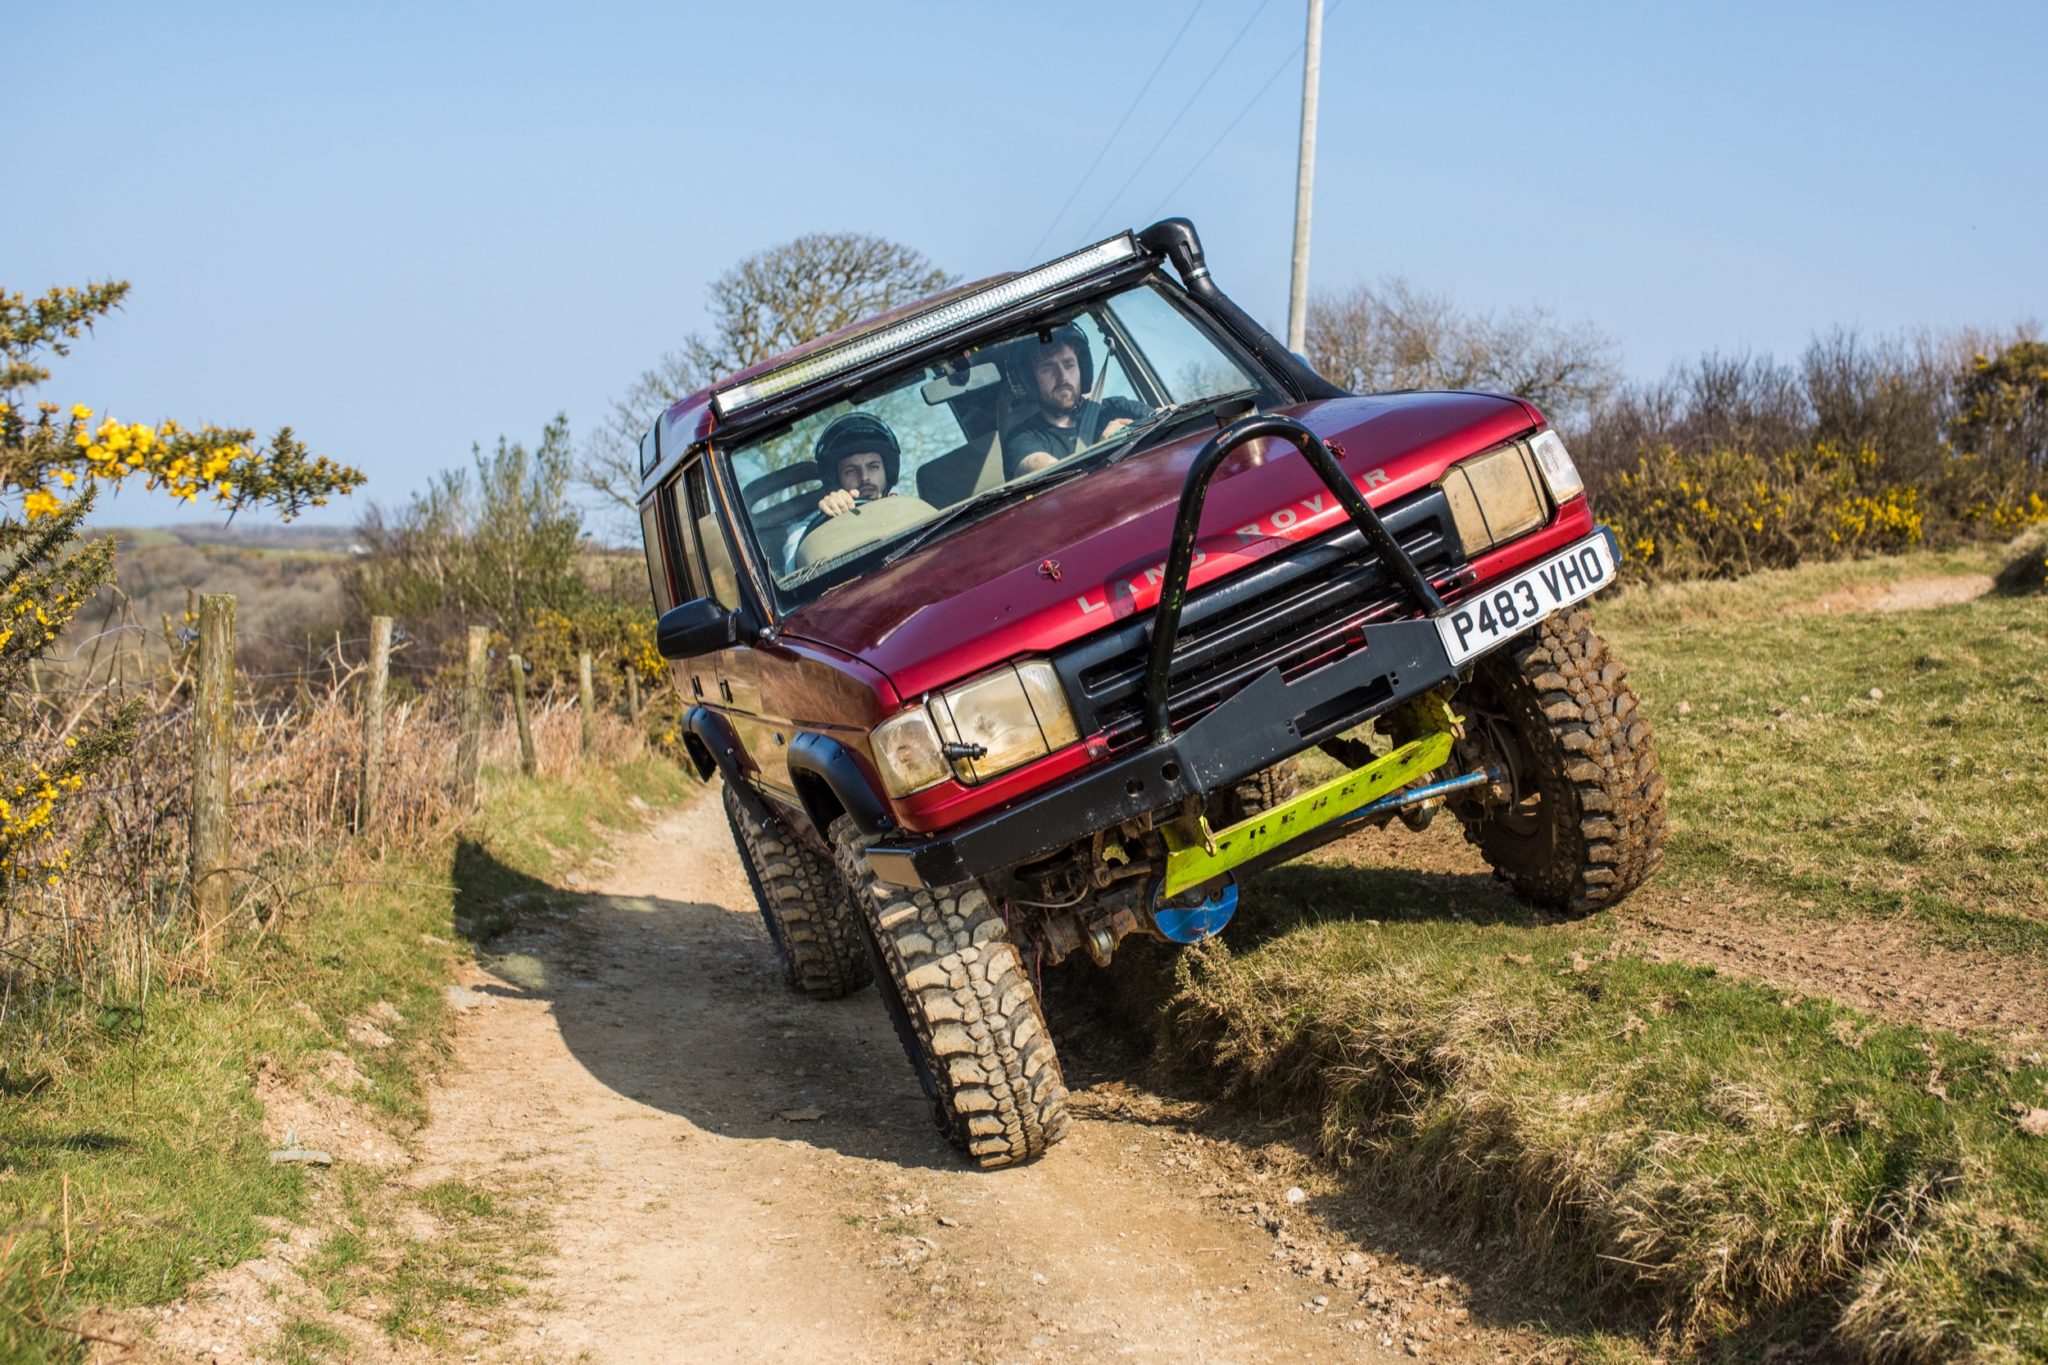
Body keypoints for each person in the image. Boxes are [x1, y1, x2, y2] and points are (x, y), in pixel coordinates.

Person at [1004, 325, 1147, 476]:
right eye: (1048, 368)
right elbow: (1052, 473)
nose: (1063, 376)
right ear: (1030, 381)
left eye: (1069, 365)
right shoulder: (1022, 438)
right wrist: (1104, 451)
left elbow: (1168, 416)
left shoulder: (1118, 407)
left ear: (1082, 369)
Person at [811, 412, 899, 518]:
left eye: (873, 467)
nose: (864, 477)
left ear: (887, 472)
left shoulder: (907, 510)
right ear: (836, 481)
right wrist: (827, 517)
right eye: (851, 471)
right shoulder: (816, 526)